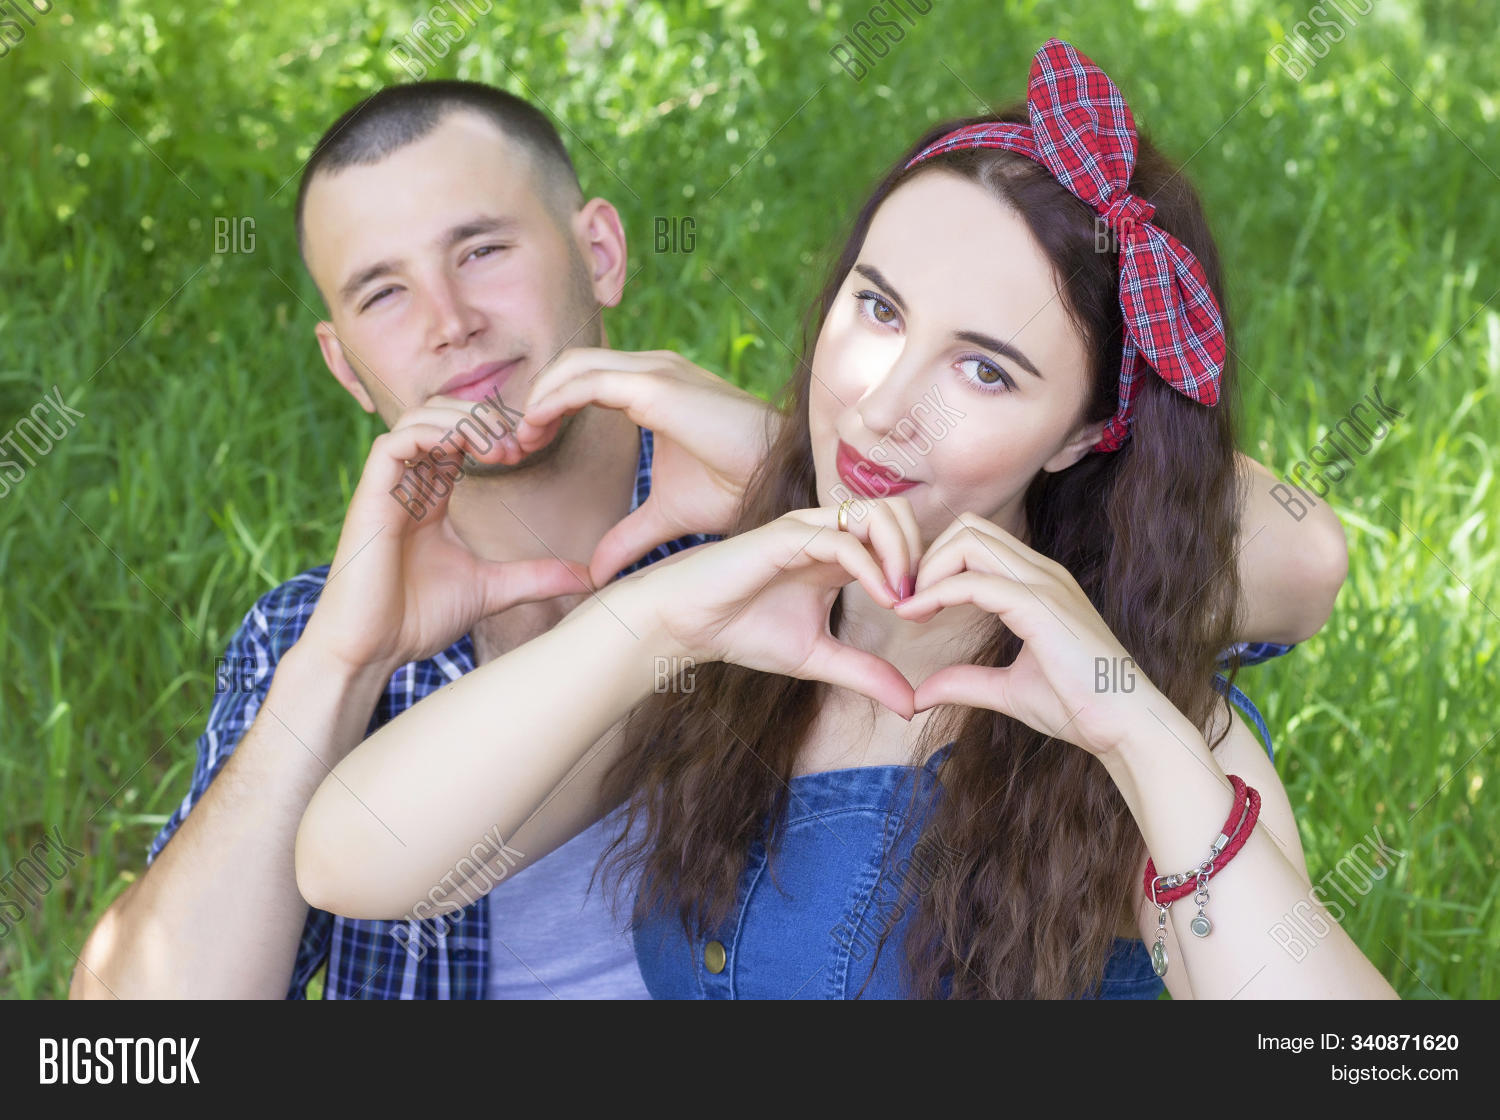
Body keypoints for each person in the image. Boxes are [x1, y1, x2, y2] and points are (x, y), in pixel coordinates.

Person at [294, 41, 1387, 998]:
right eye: (878, 309)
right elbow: (355, 862)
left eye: (986, 370)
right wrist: (656, 621)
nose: (879, 402)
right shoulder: (738, 641)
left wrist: (1137, 734)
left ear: (1075, 434)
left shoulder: (1135, 715)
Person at [69, 80, 774, 999]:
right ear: (346, 367)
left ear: (598, 251)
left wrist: (797, 474)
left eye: (480, 250)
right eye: (384, 294)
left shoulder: (758, 525)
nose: (451, 322)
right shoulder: (308, 638)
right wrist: (341, 667)